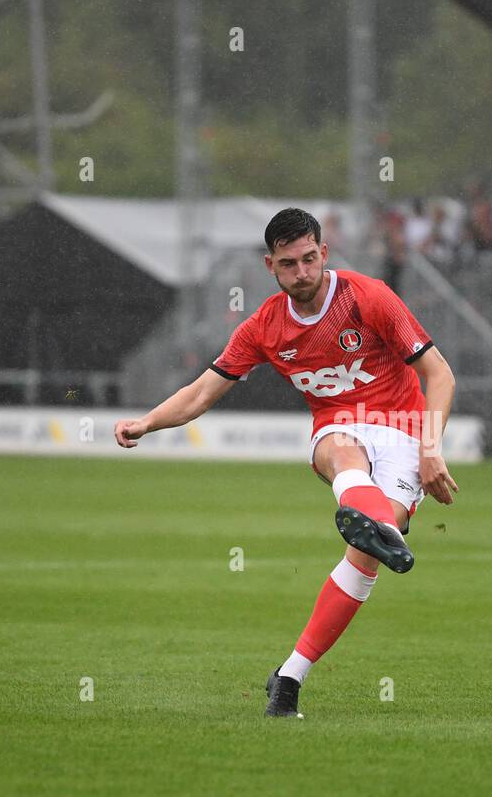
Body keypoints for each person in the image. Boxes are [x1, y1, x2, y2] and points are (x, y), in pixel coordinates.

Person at [113, 208, 459, 718]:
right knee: (340, 453)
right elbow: (202, 392)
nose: (303, 271)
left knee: (365, 561)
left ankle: (290, 677)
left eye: (309, 258)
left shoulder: (369, 297)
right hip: (339, 429)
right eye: (289, 263)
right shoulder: (264, 327)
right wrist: (147, 422)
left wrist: (431, 448)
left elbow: (440, 373)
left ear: (323, 253)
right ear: (270, 266)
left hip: (406, 433)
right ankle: (376, 521)